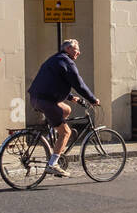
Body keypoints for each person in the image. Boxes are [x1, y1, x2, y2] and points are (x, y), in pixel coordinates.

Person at [28, 39, 99, 177]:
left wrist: (71, 97)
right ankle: (52, 164)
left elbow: (53, 82)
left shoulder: (55, 59)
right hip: (47, 101)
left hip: (36, 99)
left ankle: (51, 134)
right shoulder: (67, 61)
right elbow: (79, 84)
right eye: (76, 49)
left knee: (66, 110)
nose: (79, 52)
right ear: (68, 49)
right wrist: (92, 99)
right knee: (66, 132)